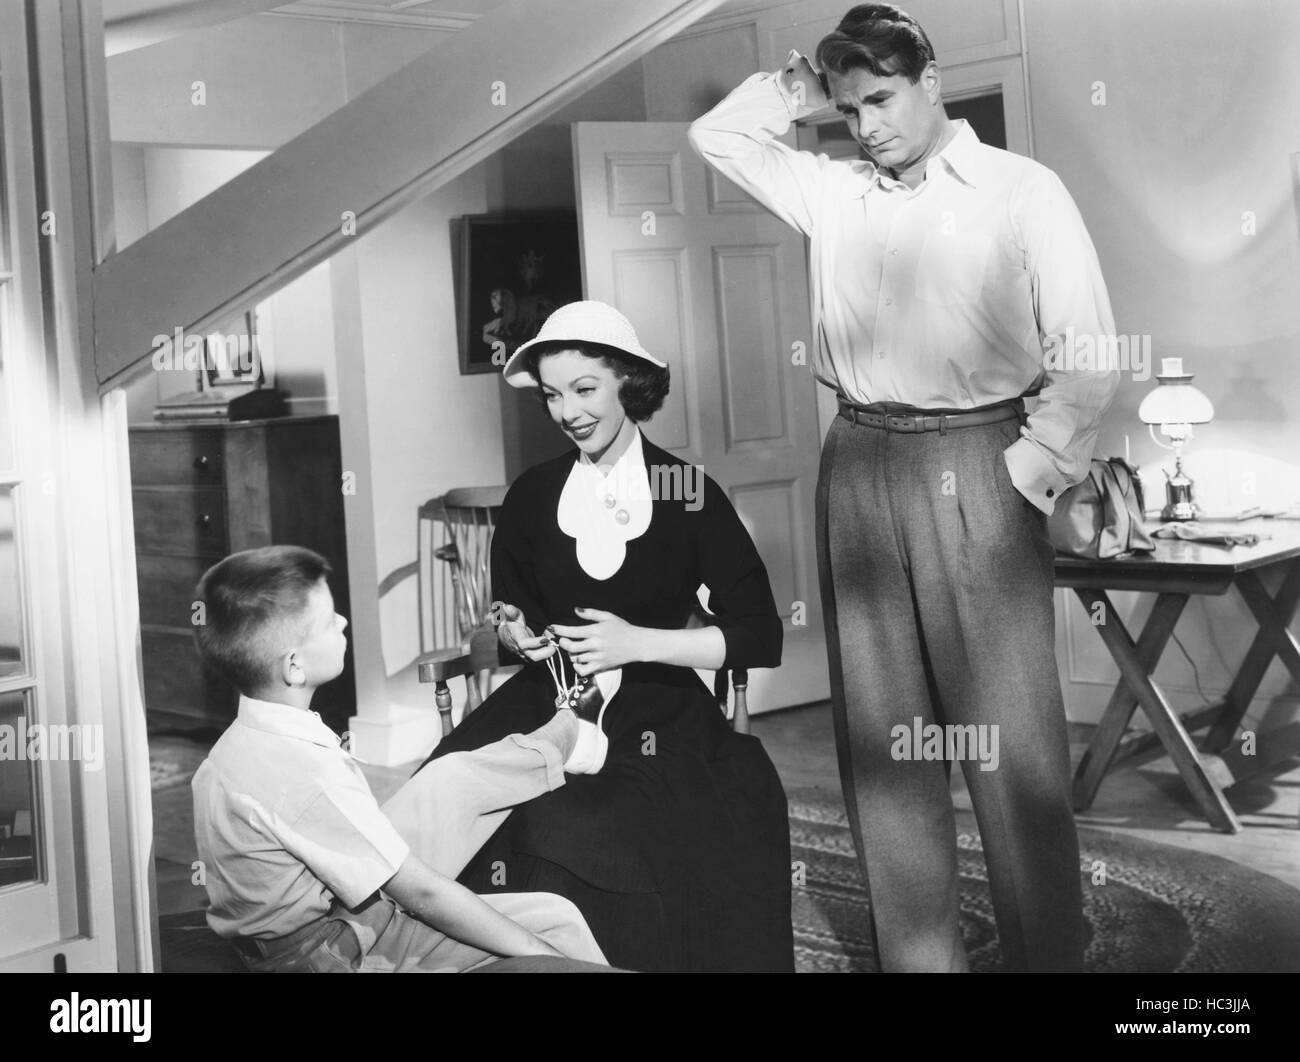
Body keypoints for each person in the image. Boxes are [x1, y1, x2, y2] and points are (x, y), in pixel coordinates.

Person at [689, 3, 1119, 972]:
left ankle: (1047, 950)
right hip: (859, 461)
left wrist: (1025, 473)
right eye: (848, 110)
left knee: (1008, 739)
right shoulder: (831, 189)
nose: (868, 125)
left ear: (931, 82)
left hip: (978, 463)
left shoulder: (1021, 190)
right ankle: (919, 956)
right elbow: (715, 136)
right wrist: (798, 91)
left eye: (881, 99)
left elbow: (1088, 356)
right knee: (882, 733)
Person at [417, 300, 794, 972]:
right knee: (448, 799)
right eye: (553, 396)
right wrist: (516, 633)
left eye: (585, 389)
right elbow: (513, 616)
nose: (568, 412)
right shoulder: (533, 494)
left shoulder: (685, 489)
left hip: (660, 709)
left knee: (593, 825)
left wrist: (639, 642)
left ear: (627, 382)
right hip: (545, 702)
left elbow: (759, 636)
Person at [189, 544, 610, 972]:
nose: (343, 621)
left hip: (326, 918)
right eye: (328, 621)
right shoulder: (306, 773)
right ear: (294, 667)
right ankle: (567, 733)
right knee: (555, 924)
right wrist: (548, 957)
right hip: (332, 951)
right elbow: (423, 894)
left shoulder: (230, 750)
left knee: (448, 775)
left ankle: (565, 739)